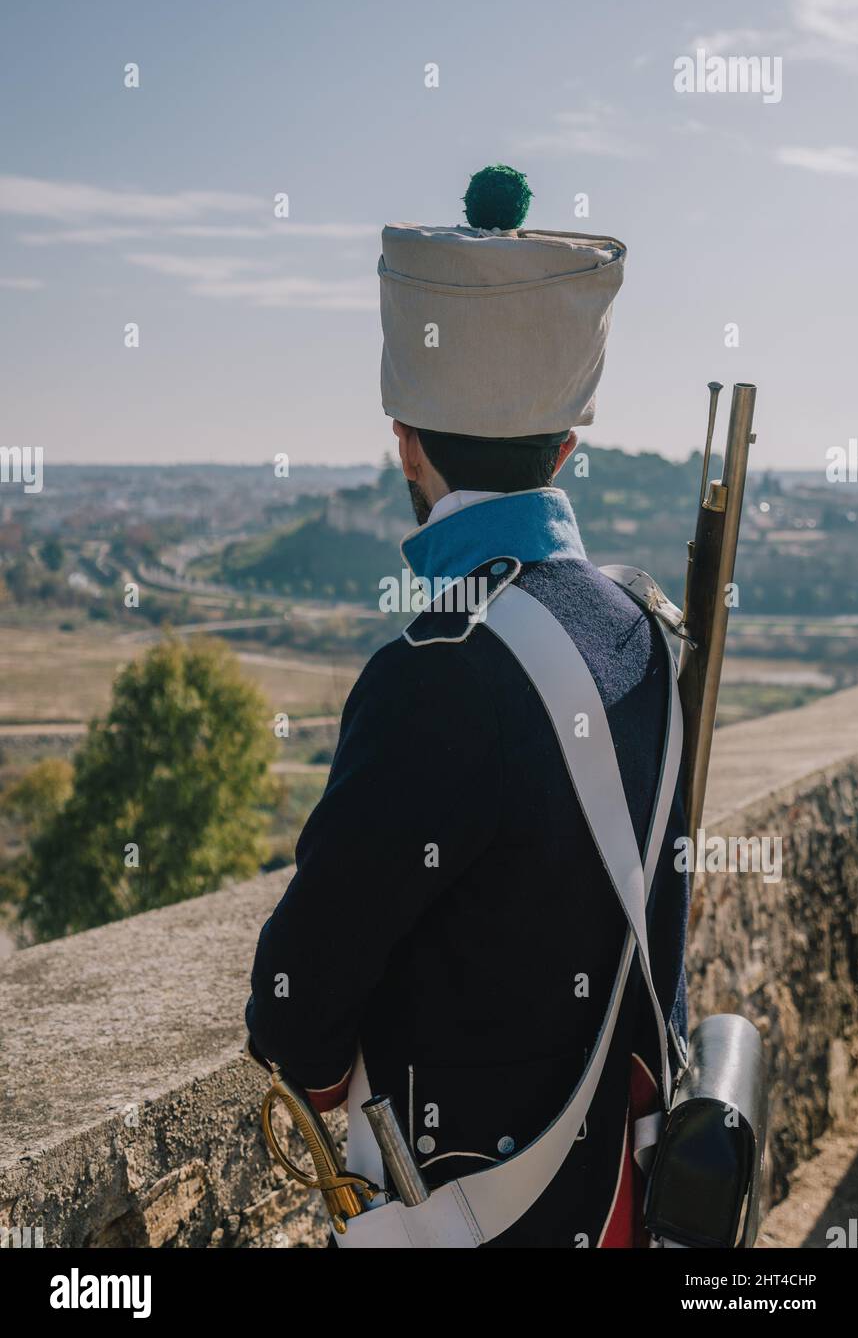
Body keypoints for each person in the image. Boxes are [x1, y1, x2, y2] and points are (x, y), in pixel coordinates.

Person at [246, 166, 689, 1247]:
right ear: (566, 449)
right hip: (618, 1196)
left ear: (405, 437)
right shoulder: (646, 625)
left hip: (469, 1219)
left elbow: (297, 997)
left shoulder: (439, 667)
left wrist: (307, 1067)